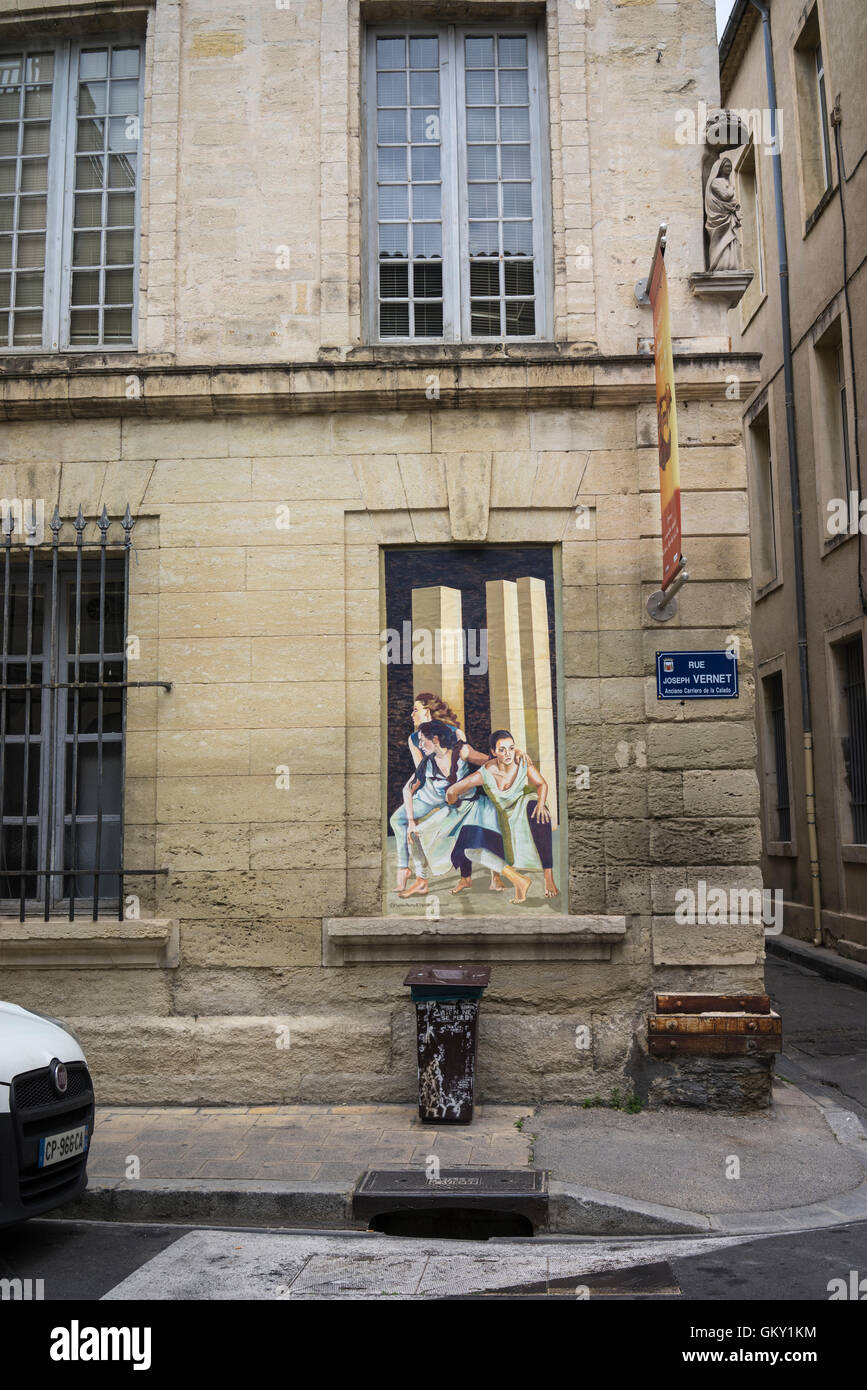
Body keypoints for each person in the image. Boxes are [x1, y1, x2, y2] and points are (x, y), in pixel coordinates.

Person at [391, 693, 506, 893]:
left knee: (481, 820)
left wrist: (509, 760)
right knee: (401, 822)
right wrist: (412, 820)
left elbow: (474, 762)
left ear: (426, 711)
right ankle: (408, 871)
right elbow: (422, 772)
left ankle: (489, 875)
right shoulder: (415, 740)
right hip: (431, 792)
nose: (412, 714)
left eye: (415, 710)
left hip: (457, 794)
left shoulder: (458, 739)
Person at [446, 729, 559, 900]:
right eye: (502, 750)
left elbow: (541, 784)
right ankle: (514, 879)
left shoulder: (521, 761)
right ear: (493, 752)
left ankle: (548, 877)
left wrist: (542, 803)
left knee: (539, 813)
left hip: (523, 804)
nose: (508, 754)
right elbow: (452, 791)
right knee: (468, 841)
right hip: (503, 817)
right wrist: (456, 804)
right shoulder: (484, 772)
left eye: (511, 748)